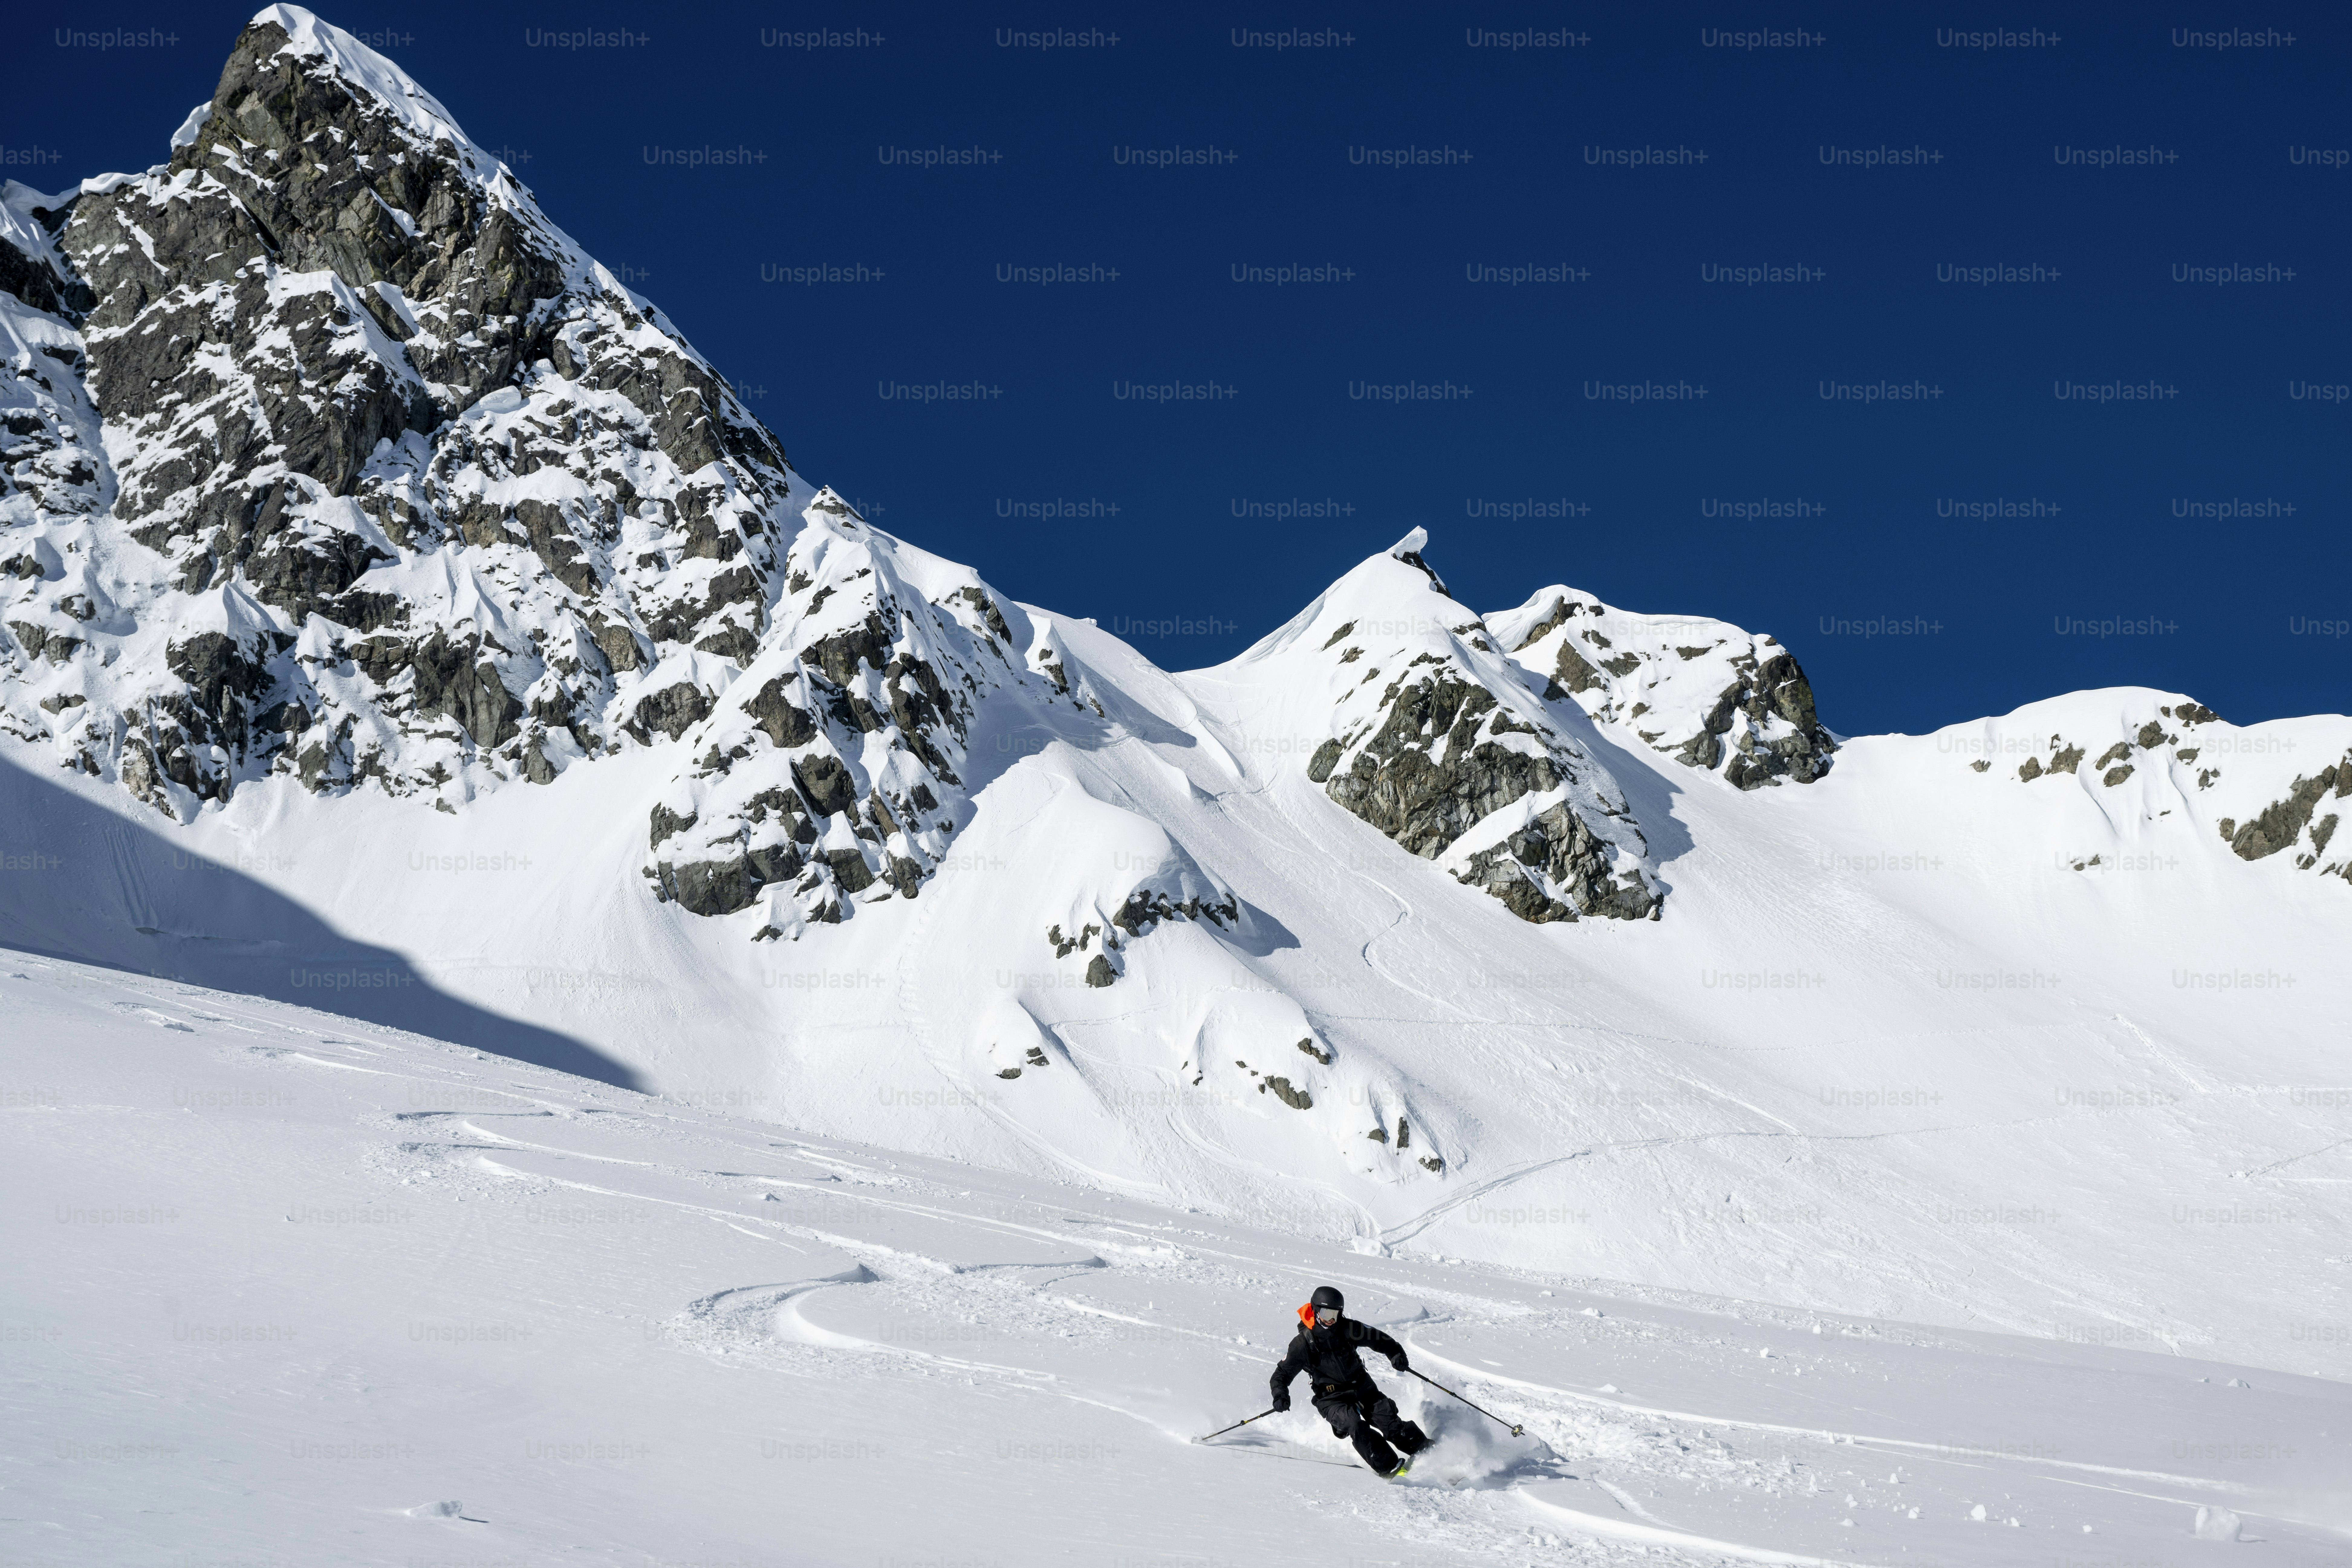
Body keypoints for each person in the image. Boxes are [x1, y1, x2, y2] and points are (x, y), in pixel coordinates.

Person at [1268, 1285, 1429, 1477]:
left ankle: (1427, 1452)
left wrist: (1396, 1354)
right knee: (1356, 1426)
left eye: (1336, 1315)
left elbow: (1378, 1339)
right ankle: (1390, 1467)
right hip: (1331, 1398)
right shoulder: (1303, 1344)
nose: (1331, 1320)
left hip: (1362, 1387)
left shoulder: (1347, 1328)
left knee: (1391, 1424)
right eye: (1327, 1313)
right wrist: (1280, 1396)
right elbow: (1281, 1375)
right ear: (1315, 1310)